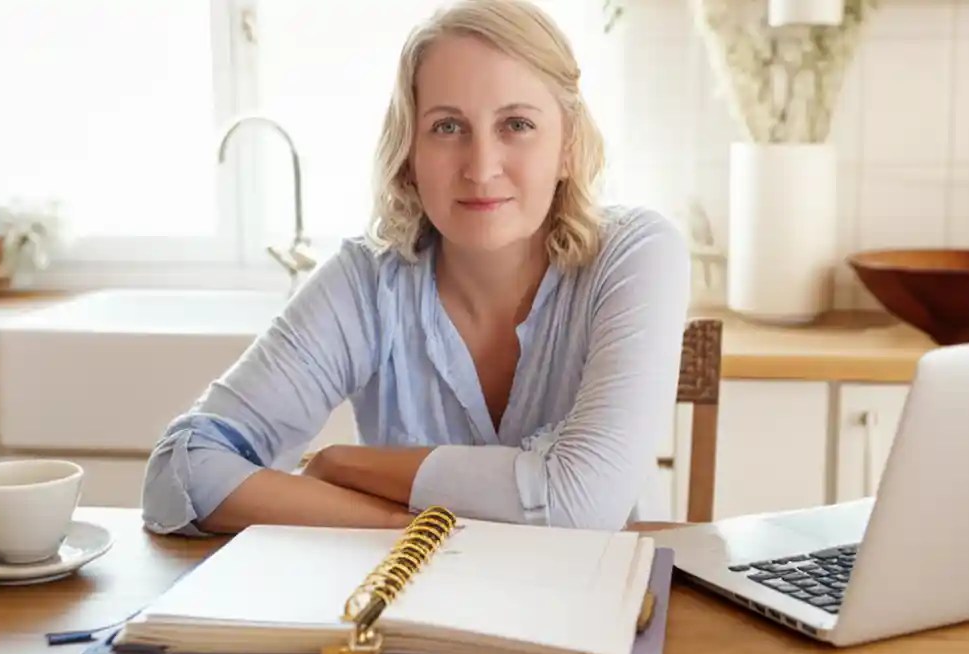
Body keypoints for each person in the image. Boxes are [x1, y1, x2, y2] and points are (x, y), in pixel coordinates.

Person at [141, 0, 690, 536]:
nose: (481, 169)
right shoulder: (367, 282)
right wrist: (399, 527)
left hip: (602, 613)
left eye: (517, 124)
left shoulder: (637, 253)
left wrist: (346, 467)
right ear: (410, 151)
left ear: (568, 145)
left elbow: (580, 505)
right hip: (406, 611)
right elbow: (181, 470)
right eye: (448, 127)